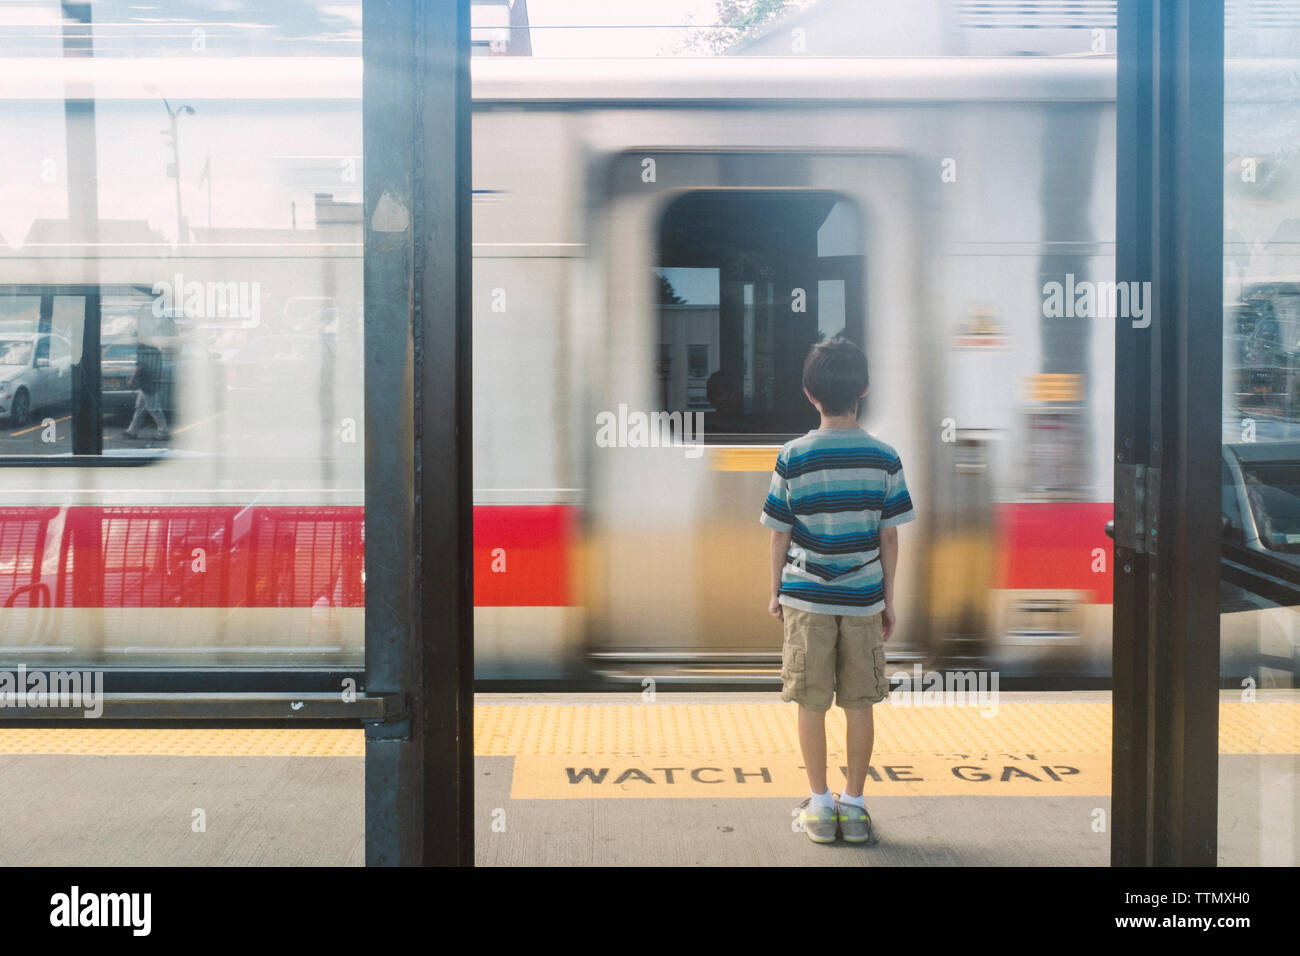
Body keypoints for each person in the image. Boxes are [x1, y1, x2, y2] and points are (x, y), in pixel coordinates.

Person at [759, 336, 915, 845]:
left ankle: (821, 807)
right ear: (865, 389)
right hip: (864, 598)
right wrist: (889, 600)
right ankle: (855, 804)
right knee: (860, 702)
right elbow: (889, 536)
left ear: (809, 393)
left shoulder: (793, 456)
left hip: (807, 599)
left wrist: (775, 591)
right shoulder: (884, 457)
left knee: (811, 702)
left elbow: (779, 533)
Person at [124, 341, 170, 441]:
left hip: (146, 384)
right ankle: (132, 431)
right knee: (140, 408)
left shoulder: (141, 350)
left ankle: (164, 432)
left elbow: (139, 367)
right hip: (153, 382)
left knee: (154, 409)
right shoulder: (155, 350)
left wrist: (132, 380)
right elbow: (160, 367)